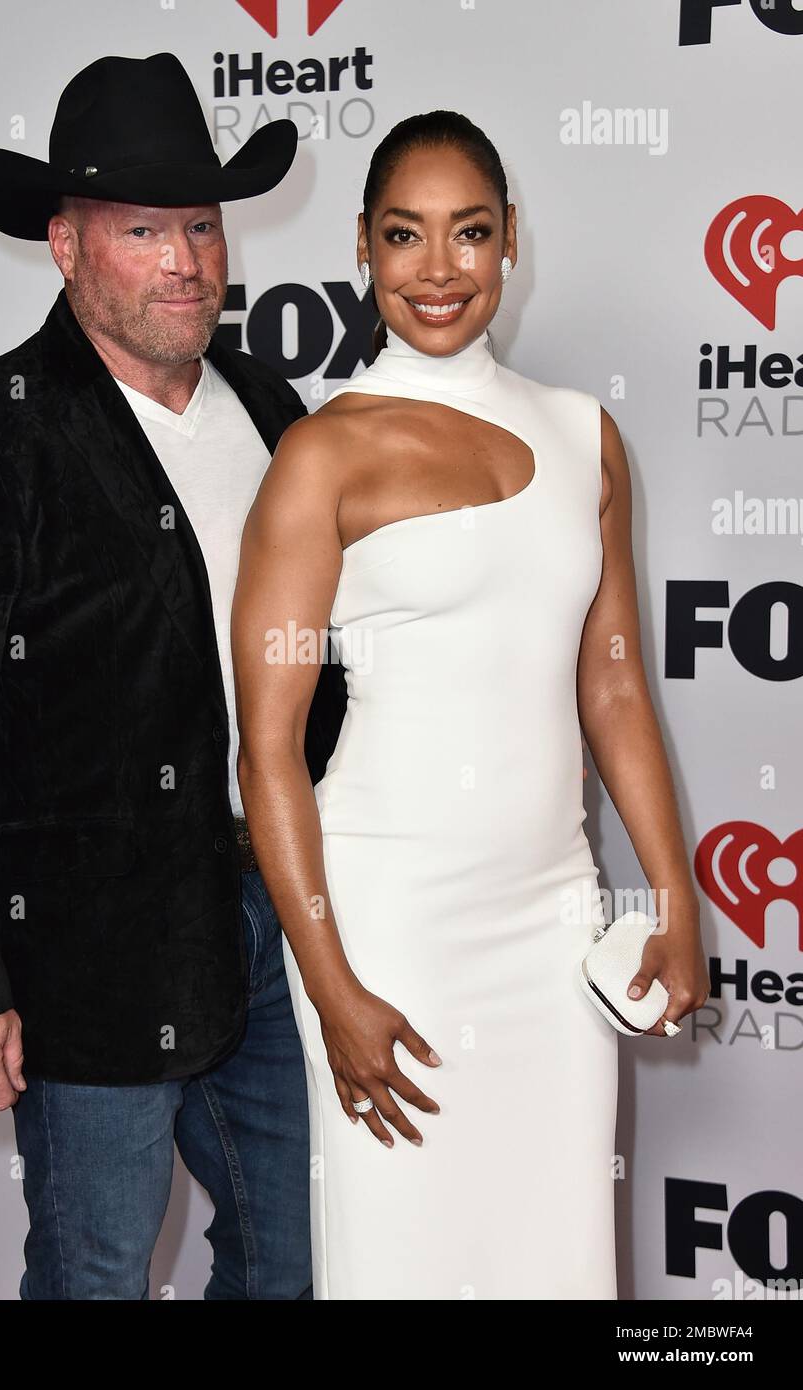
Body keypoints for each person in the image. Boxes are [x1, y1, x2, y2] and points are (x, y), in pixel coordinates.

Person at [0, 51, 346, 1301]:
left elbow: (320, 674)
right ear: (66, 246)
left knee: (295, 1265)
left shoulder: (271, 404)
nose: (183, 258)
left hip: (271, 927)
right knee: (93, 1274)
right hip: (82, 958)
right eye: (141, 229)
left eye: (198, 224)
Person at [231, 110, 710, 1299]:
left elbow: (611, 688)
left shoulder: (582, 437)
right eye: (404, 236)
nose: (436, 270)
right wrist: (330, 981)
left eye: (468, 234)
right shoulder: (320, 457)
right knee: (400, 1265)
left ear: (509, 245)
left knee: (554, 1265)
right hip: (386, 922)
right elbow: (267, 750)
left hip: (551, 923)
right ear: (361, 246)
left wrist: (670, 897)